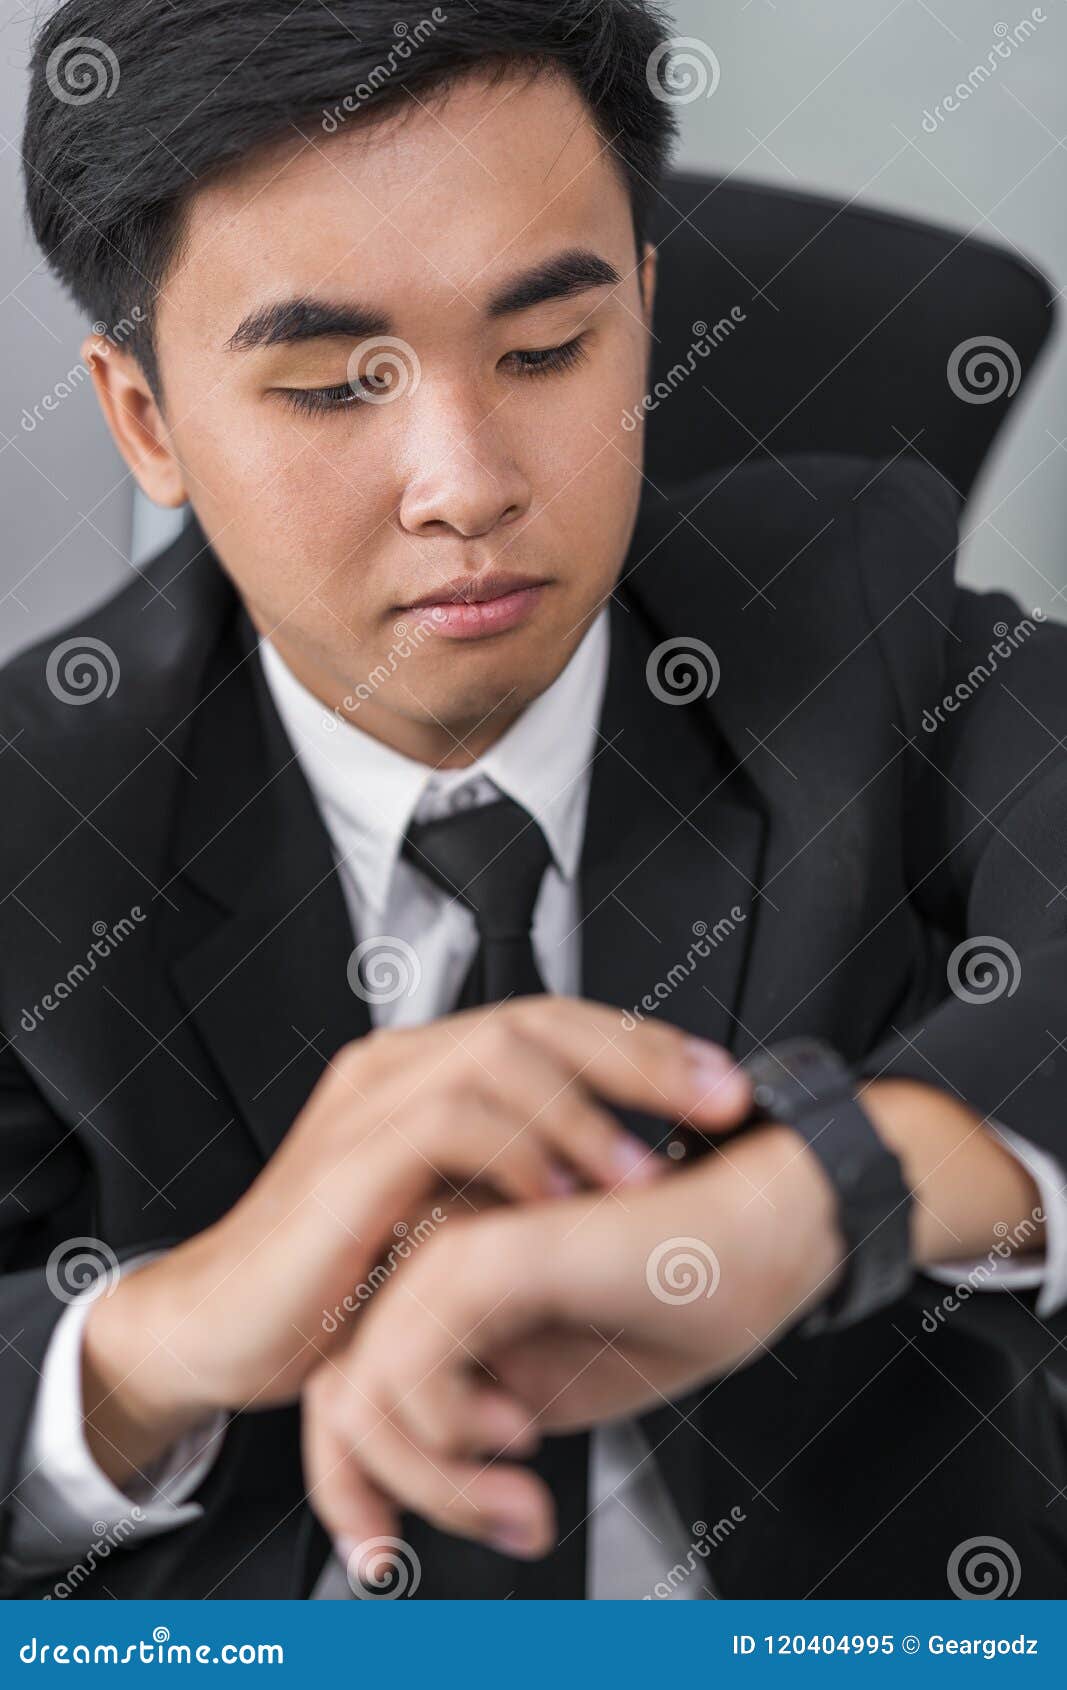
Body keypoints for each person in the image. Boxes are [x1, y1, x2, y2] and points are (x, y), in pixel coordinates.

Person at [2, 0, 1066, 1601]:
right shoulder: (37, 820)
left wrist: (825, 1191)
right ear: (147, 418)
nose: (468, 484)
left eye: (548, 351)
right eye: (332, 386)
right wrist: (147, 1343)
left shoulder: (868, 624)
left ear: (645, 308)